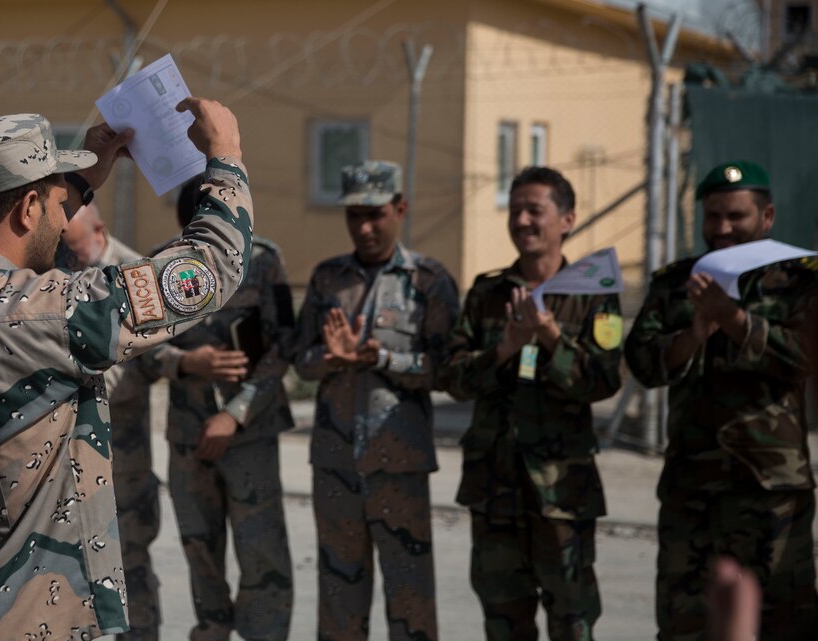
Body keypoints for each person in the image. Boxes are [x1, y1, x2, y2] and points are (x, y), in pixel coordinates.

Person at [0, 99, 255, 641]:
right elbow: (210, 267)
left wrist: (78, 178)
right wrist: (226, 157)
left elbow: (9, 238)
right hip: (30, 620)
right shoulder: (44, 312)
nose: (62, 210)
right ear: (28, 208)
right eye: (54, 199)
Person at [625, 160, 818, 641]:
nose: (723, 229)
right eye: (713, 217)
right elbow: (644, 365)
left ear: (767, 217)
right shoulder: (676, 283)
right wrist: (694, 332)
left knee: (784, 624)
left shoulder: (799, 281)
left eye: (737, 216)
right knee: (685, 624)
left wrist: (733, 320)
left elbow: (803, 360)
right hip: (693, 491)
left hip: (771, 492)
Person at [439, 166, 622, 641]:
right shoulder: (488, 292)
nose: (522, 220)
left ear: (567, 219)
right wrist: (504, 347)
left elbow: (603, 380)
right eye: (516, 209)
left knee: (573, 621)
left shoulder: (593, 294)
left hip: (562, 493)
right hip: (495, 489)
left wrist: (549, 336)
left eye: (535, 210)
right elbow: (452, 377)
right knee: (503, 623)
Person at [293, 161, 458, 641]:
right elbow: (301, 362)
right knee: (339, 597)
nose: (364, 227)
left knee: (410, 599)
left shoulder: (429, 281)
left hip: (398, 467)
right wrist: (333, 358)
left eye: (376, 215)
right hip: (335, 465)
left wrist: (383, 357)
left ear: (400, 208)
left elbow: (447, 370)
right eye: (354, 216)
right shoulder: (328, 280)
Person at [136, 173, 295, 641]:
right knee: (200, 553)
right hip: (188, 438)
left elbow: (283, 347)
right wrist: (186, 363)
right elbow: (139, 348)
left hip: (249, 436)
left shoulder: (264, 262)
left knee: (262, 553)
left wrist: (236, 411)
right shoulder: (157, 268)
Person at [62, 203, 162, 641]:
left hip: (124, 452)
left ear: (99, 230)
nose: (69, 258)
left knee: (132, 565)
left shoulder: (135, 275)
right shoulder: (59, 276)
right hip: (72, 456)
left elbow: (146, 351)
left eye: (75, 246)